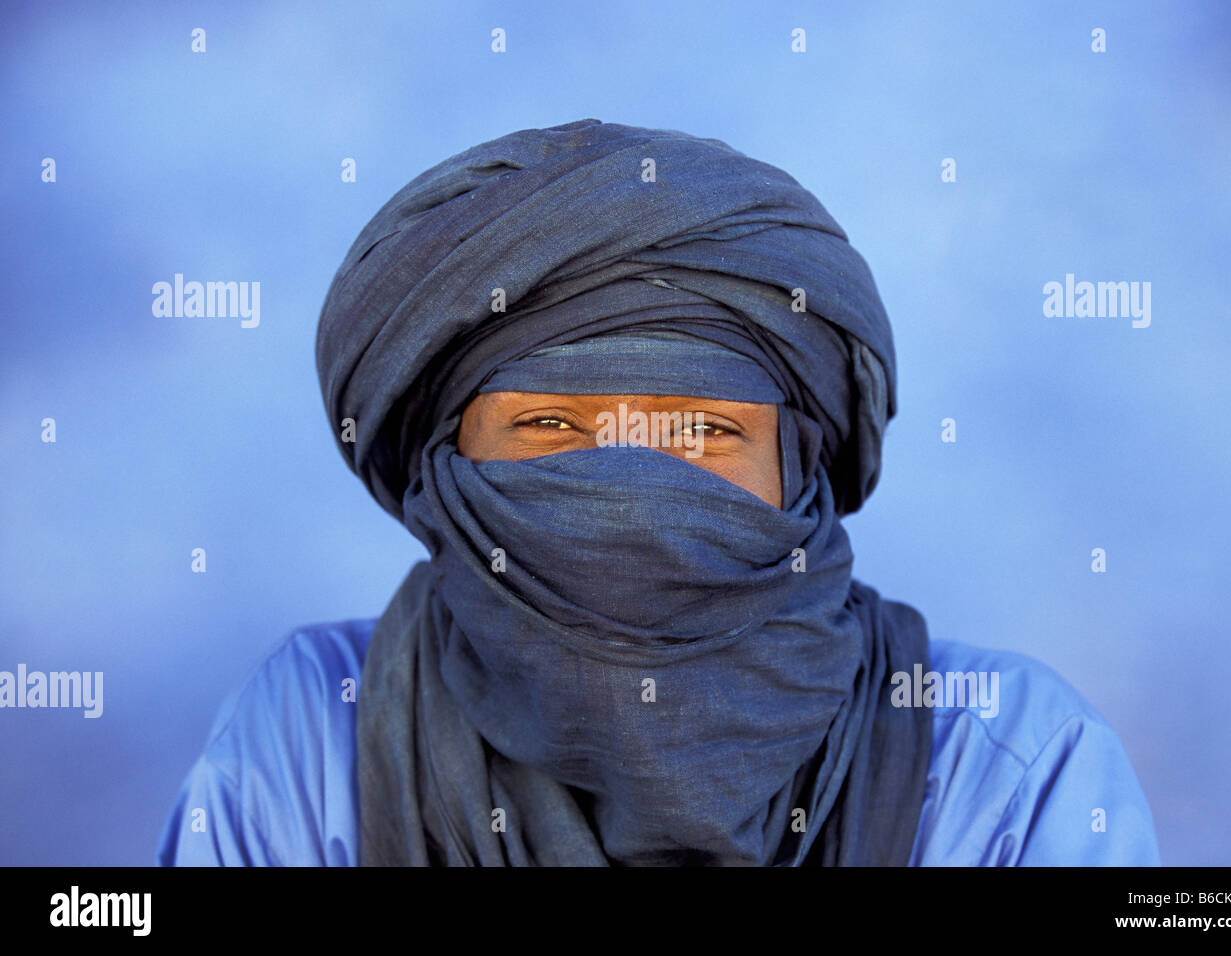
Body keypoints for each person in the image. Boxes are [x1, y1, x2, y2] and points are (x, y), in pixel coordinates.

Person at [156, 118, 1160, 866]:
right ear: (442, 471)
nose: (631, 488)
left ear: (798, 471)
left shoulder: (1007, 765)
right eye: (550, 427)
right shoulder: (314, 732)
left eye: (700, 431)